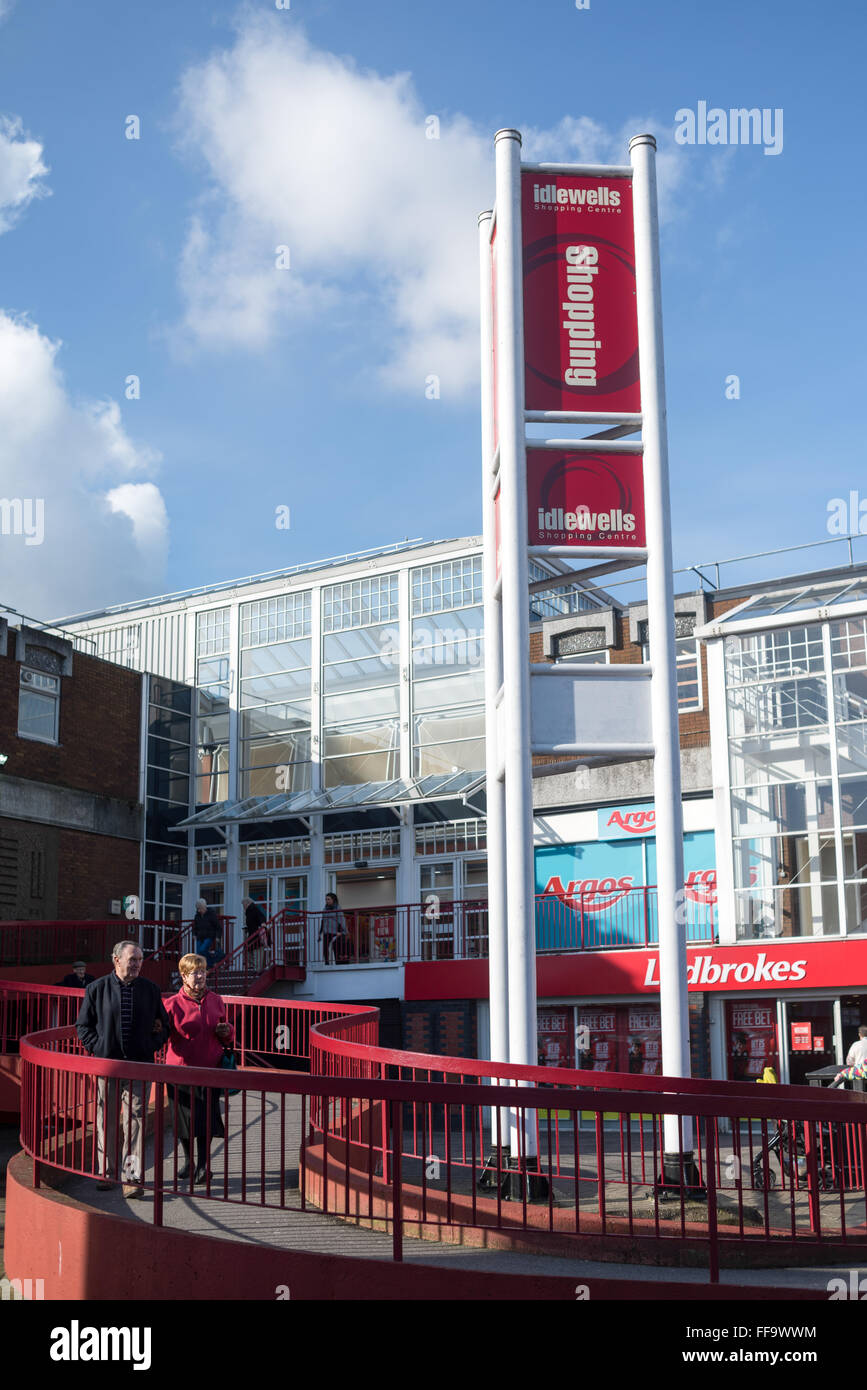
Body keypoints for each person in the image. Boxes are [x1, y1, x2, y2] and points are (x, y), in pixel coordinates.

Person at [76, 941, 171, 1199]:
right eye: (132, 959)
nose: (137, 964)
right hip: (108, 1066)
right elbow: (83, 1026)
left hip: (140, 1065)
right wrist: (100, 1048)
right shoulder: (96, 988)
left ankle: (132, 1177)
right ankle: (105, 1172)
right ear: (116, 960)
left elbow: (165, 1025)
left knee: (136, 1121)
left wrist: (151, 1044)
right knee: (106, 1119)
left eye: (140, 959)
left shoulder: (150, 989)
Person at [164, 953, 234, 1185]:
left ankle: (204, 1165)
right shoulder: (172, 1004)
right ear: (184, 976)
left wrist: (227, 1031)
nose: (201, 976)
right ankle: (188, 1161)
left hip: (210, 1069)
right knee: (184, 1120)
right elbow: (161, 1034)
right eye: (195, 972)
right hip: (180, 1071)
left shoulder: (216, 1000)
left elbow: (227, 1034)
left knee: (206, 1118)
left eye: (203, 971)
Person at [241, 896, 268, 970]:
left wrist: (262, 923)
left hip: (257, 935)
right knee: (249, 951)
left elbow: (261, 917)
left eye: (243, 904)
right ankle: (255, 968)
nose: (243, 906)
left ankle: (257, 969)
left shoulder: (253, 909)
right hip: (252, 935)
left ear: (247, 903)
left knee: (257, 952)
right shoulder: (249, 911)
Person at [319, 892, 347, 964]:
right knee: (325, 948)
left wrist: (340, 931)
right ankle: (327, 963)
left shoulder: (337, 908)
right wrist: (320, 932)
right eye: (326, 899)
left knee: (336, 948)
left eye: (328, 899)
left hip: (335, 932)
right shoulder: (325, 909)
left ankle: (338, 962)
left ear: (333, 900)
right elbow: (323, 920)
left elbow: (341, 921)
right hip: (326, 931)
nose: (327, 901)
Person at [192, 899, 221, 966]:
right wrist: (194, 934)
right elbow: (195, 926)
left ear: (204, 907)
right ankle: (206, 965)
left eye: (200, 908)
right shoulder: (197, 916)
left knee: (202, 950)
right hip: (200, 936)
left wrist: (218, 936)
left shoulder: (211, 914)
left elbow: (218, 927)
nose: (199, 910)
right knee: (199, 952)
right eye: (197, 909)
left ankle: (210, 963)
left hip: (209, 936)